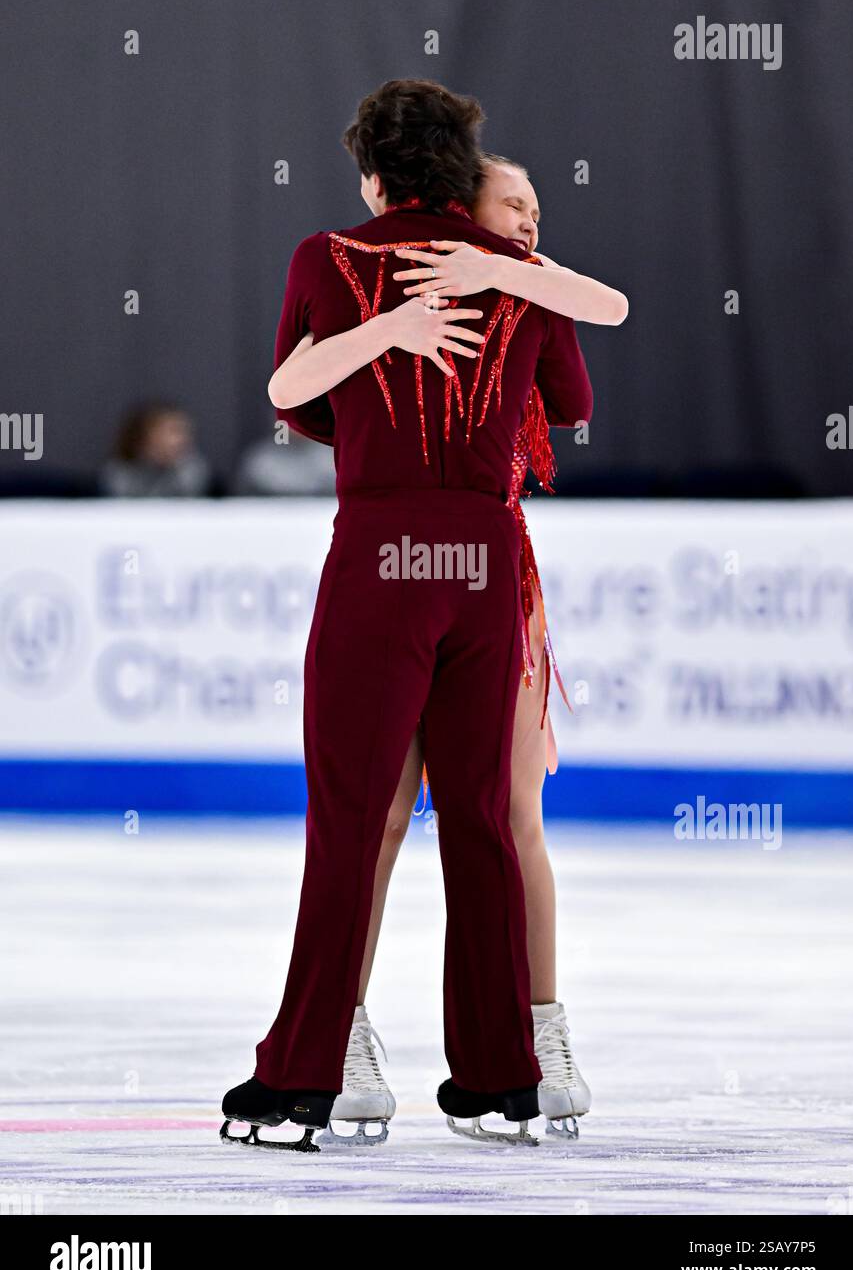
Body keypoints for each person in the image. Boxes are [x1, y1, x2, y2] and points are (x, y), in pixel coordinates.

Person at [221, 79, 593, 1151]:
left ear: (376, 178)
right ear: (459, 175)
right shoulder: (517, 270)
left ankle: (302, 1078)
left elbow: (298, 403)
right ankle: (499, 1080)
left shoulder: (326, 258)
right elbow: (564, 403)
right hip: (483, 561)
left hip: (382, 555)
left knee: (352, 820)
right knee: (478, 818)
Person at [99, 403, 212, 497]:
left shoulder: (191, 469)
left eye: (184, 432)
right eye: (173, 431)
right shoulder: (121, 471)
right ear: (148, 434)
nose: (181, 440)